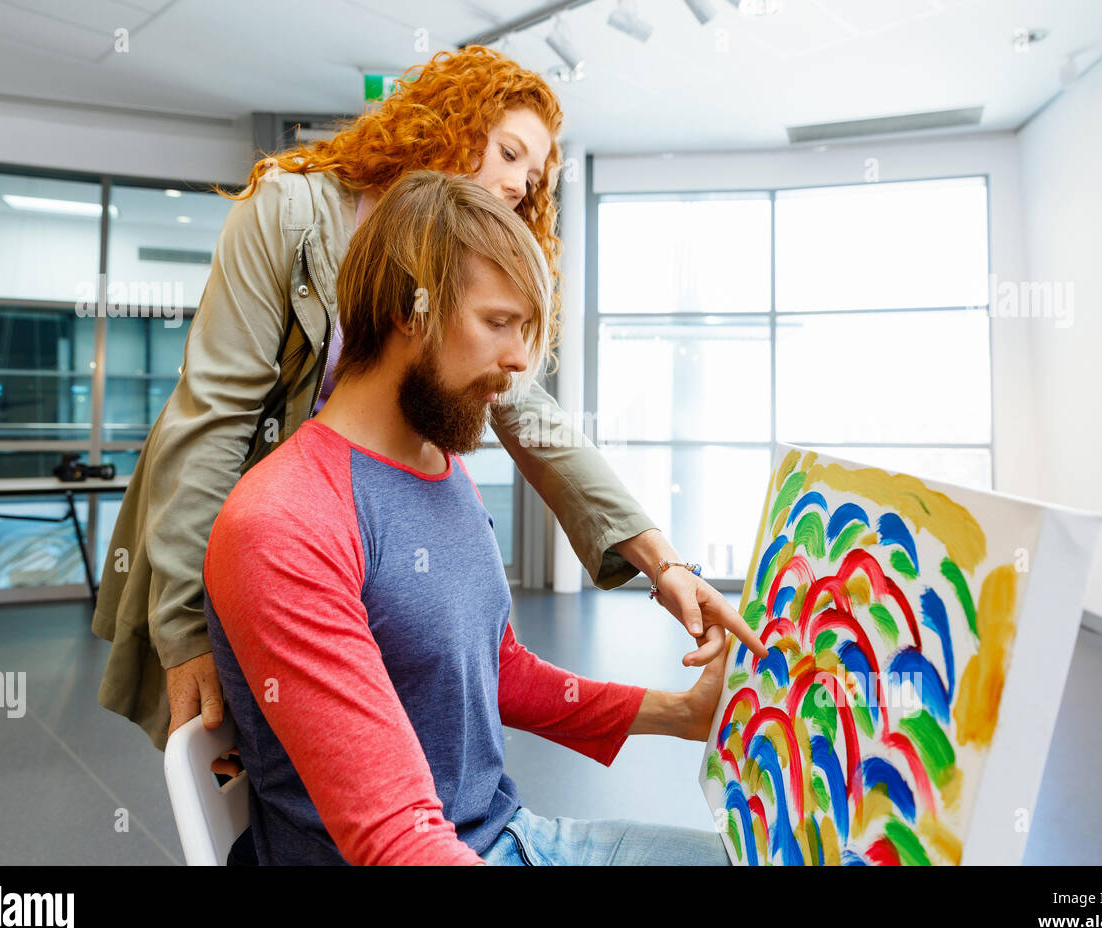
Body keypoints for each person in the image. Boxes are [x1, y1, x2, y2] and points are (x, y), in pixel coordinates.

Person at [91, 45, 763, 760]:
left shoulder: (454, 265)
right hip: (262, 544)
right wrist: (187, 628)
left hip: (359, 546)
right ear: (448, 123)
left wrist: (665, 565)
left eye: (533, 178)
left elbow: (532, 418)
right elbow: (215, 419)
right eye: (509, 153)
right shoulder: (289, 213)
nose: (518, 185)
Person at [203, 169, 739, 865]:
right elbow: (397, 841)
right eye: (497, 324)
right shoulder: (283, 521)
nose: (517, 361)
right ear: (409, 310)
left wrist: (681, 713)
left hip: (500, 836)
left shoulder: (442, 465)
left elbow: (493, 669)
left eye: (525, 330)